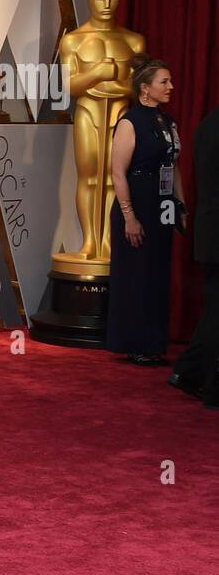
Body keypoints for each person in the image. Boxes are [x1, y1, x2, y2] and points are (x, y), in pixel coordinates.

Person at [107, 54, 186, 365]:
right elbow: (117, 172)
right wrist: (129, 216)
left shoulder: (168, 122)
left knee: (158, 272)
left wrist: (181, 205)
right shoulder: (130, 122)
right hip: (137, 200)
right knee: (138, 274)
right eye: (164, 82)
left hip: (163, 203)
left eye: (170, 81)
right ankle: (135, 342)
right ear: (144, 88)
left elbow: (174, 167)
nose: (171, 87)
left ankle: (154, 342)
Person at [170, 105, 218, 405]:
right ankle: (211, 387)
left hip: (210, 229)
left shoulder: (207, 125)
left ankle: (188, 371)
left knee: (214, 309)